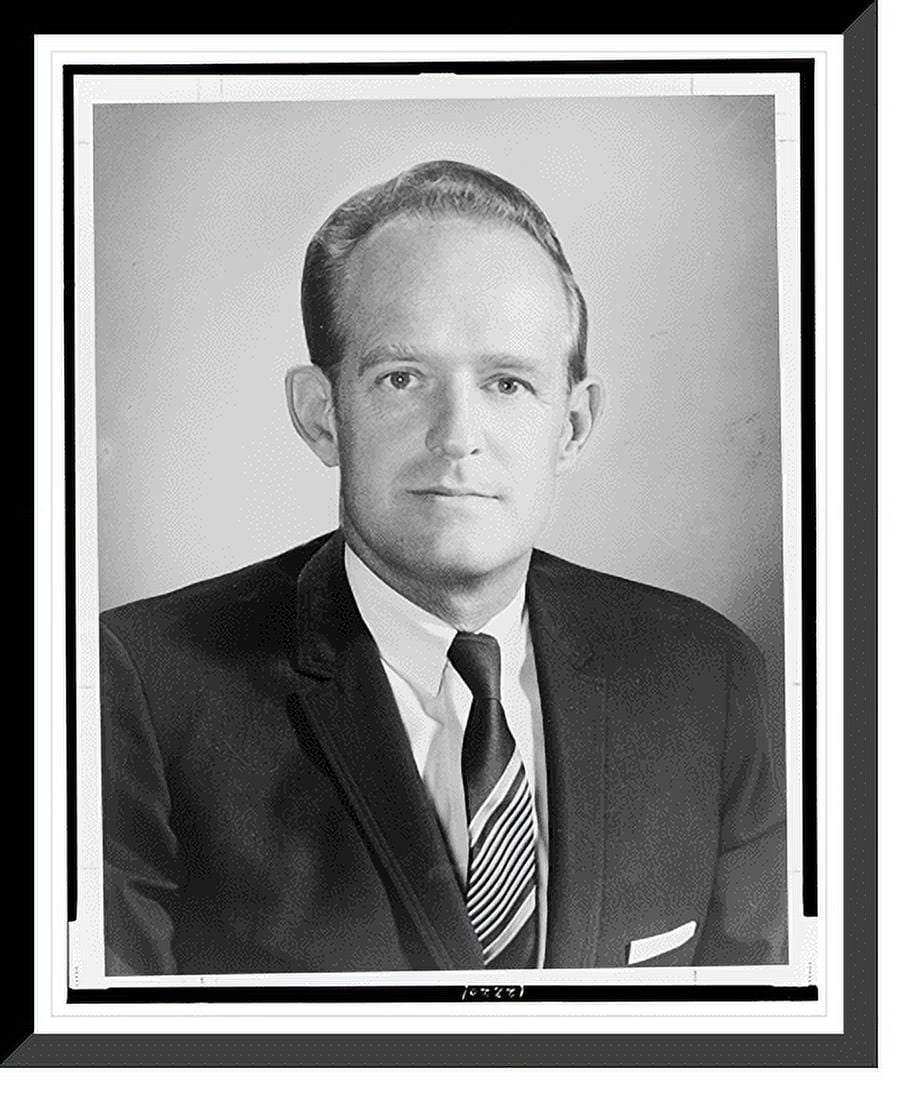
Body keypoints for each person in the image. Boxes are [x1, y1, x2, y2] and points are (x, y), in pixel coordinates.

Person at [100, 160, 787, 975]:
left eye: (507, 382)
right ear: (321, 417)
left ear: (572, 425)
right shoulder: (137, 690)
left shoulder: (709, 676)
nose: (457, 435)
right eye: (402, 379)